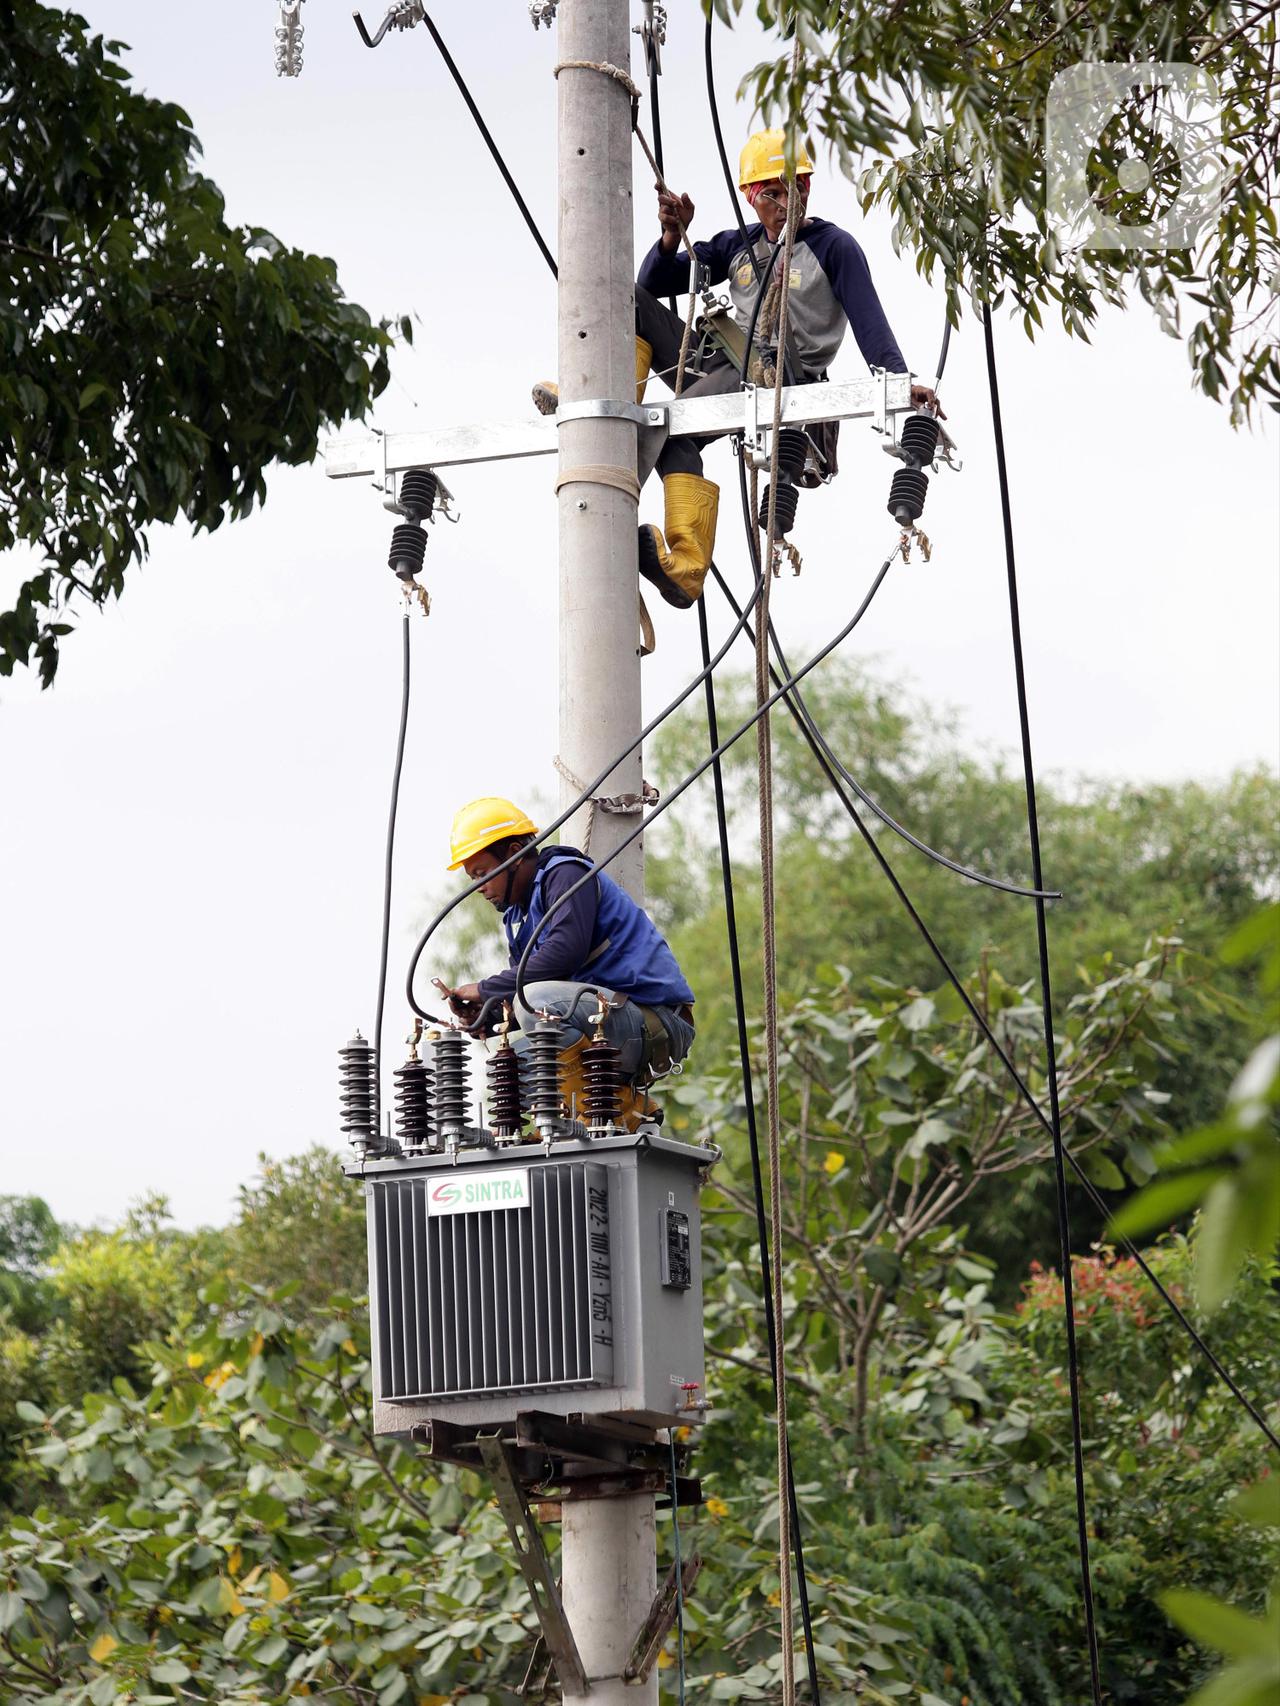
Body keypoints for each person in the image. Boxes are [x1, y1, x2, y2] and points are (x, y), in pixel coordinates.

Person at [535, 129, 940, 613]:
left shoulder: (833, 247)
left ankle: (685, 568)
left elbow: (868, 319)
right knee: (627, 299)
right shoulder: (738, 247)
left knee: (678, 432)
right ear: (751, 197)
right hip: (720, 355)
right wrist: (670, 237)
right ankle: (596, 396)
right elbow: (654, 283)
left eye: (798, 186)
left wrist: (898, 382)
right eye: (772, 191)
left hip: (776, 373)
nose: (788, 200)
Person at [434, 797, 695, 1118]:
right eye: (473, 878)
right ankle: (575, 1125)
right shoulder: (517, 918)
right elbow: (524, 1001)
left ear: (514, 854)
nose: (479, 887)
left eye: (482, 872)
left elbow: (562, 956)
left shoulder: (566, 875)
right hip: (608, 1022)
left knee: (536, 999)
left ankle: (624, 1117)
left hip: (655, 1023)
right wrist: (487, 1016)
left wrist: (485, 989)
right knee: (511, 1060)